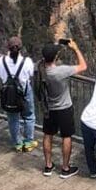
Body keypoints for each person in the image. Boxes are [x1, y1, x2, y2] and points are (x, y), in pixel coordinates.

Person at [39, 39, 87, 178]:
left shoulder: (41, 68)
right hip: (64, 107)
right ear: (55, 58)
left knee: (48, 135)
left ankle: (48, 166)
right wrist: (75, 49)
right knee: (66, 136)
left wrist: (53, 45)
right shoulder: (61, 71)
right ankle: (65, 168)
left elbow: (45, 59)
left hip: (49, 108)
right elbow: (83, 66)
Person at [0, 37, 37, 152]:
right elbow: (30, 75)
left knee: (13, 119)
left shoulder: (1, 61)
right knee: (29, 116)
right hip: (24, 91)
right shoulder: (27, 61)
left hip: (8, 93)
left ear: (8, 47)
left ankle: (17, 143)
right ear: (21, 48)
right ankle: (28, 142)